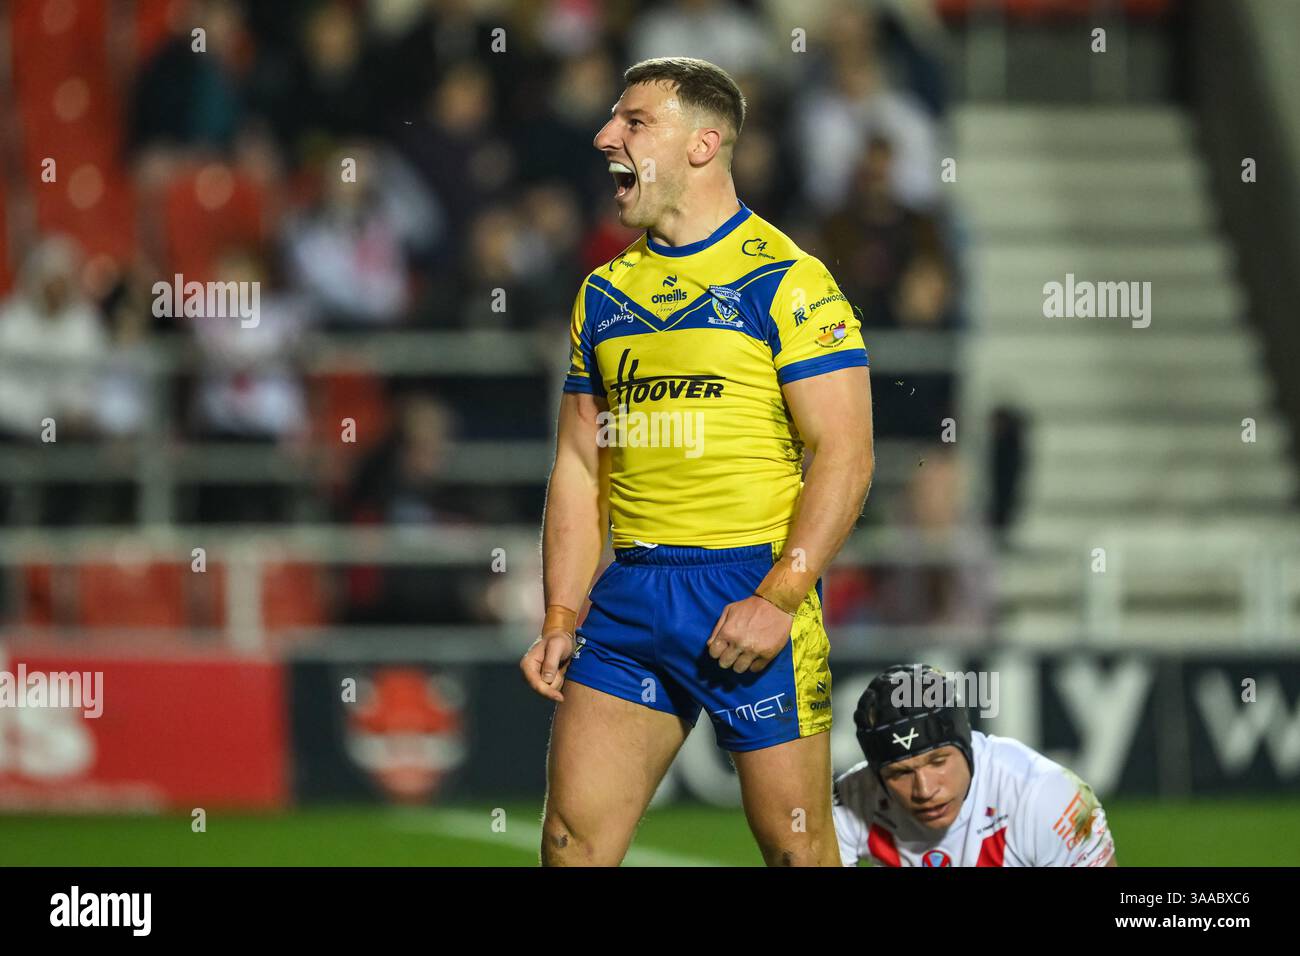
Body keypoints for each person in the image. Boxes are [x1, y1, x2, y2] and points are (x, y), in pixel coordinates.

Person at [519, 57, 874, 866]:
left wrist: (780, 598)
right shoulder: (602, 295)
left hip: (746, 588)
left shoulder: (789, 281)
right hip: (633, 596)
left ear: (704, 144)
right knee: (572, 843)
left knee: (798, 851)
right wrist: (561, 616)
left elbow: (846, 456)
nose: (607, 135)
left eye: (634, 121)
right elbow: (580, 465)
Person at [834, 664, 1118, 867]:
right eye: (900, 773)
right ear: (876, 774)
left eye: (938, 761)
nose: (925, 789)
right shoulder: (849, 801)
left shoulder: (1045, 794)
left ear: (966, 743)